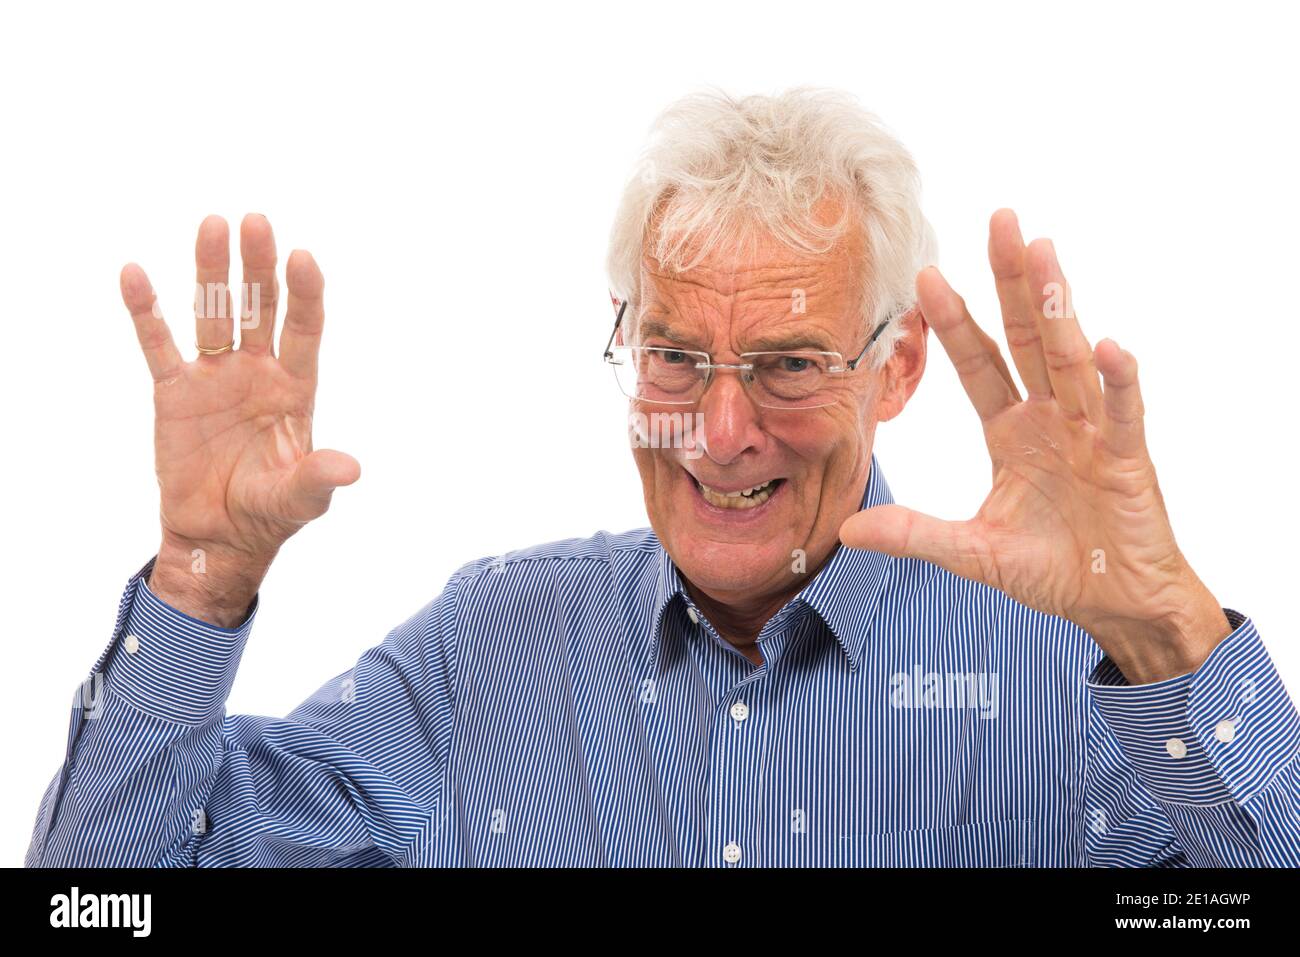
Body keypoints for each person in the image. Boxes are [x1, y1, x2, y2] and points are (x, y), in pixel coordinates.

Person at [27, 89, 1299, 867]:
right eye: (677, 358)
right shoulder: (489, 649)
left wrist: (1167, 630)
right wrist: (200, 582)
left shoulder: (1072, 672)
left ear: (897, 366)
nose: (720, 429)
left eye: (790, 364)